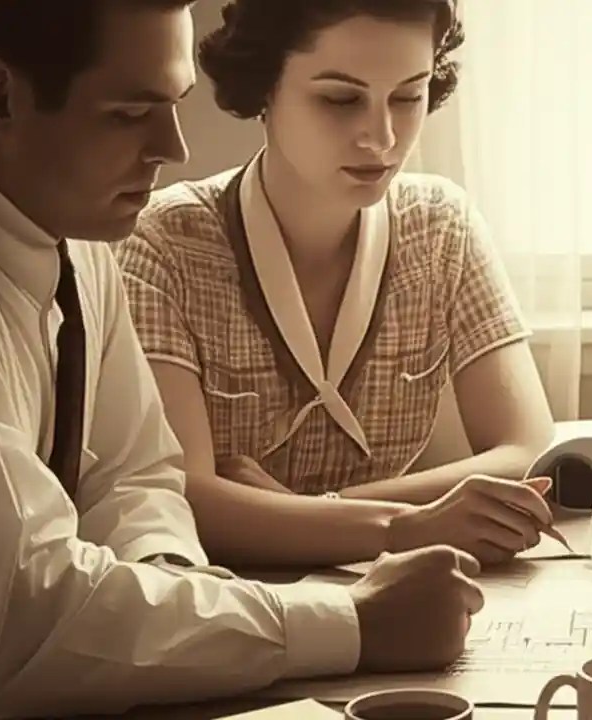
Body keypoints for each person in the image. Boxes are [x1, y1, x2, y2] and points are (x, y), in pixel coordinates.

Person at [0, 2, 482, 717]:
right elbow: (20, 622)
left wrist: (180, 605)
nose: (174, 148)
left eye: (174, 106)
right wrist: (351, 622)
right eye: (130, 114)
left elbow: (134, 479)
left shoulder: (76, 241)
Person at [113, 0, 558, 569]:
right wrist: (407, 525)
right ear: (264, 87)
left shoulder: (442, 228)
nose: (382, 136)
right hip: (231, 602)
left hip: (397, 584)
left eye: (408, 96)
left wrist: (311, 510)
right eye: (340, 99)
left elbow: (528, 452)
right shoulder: (165, 244)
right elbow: (184, 499)